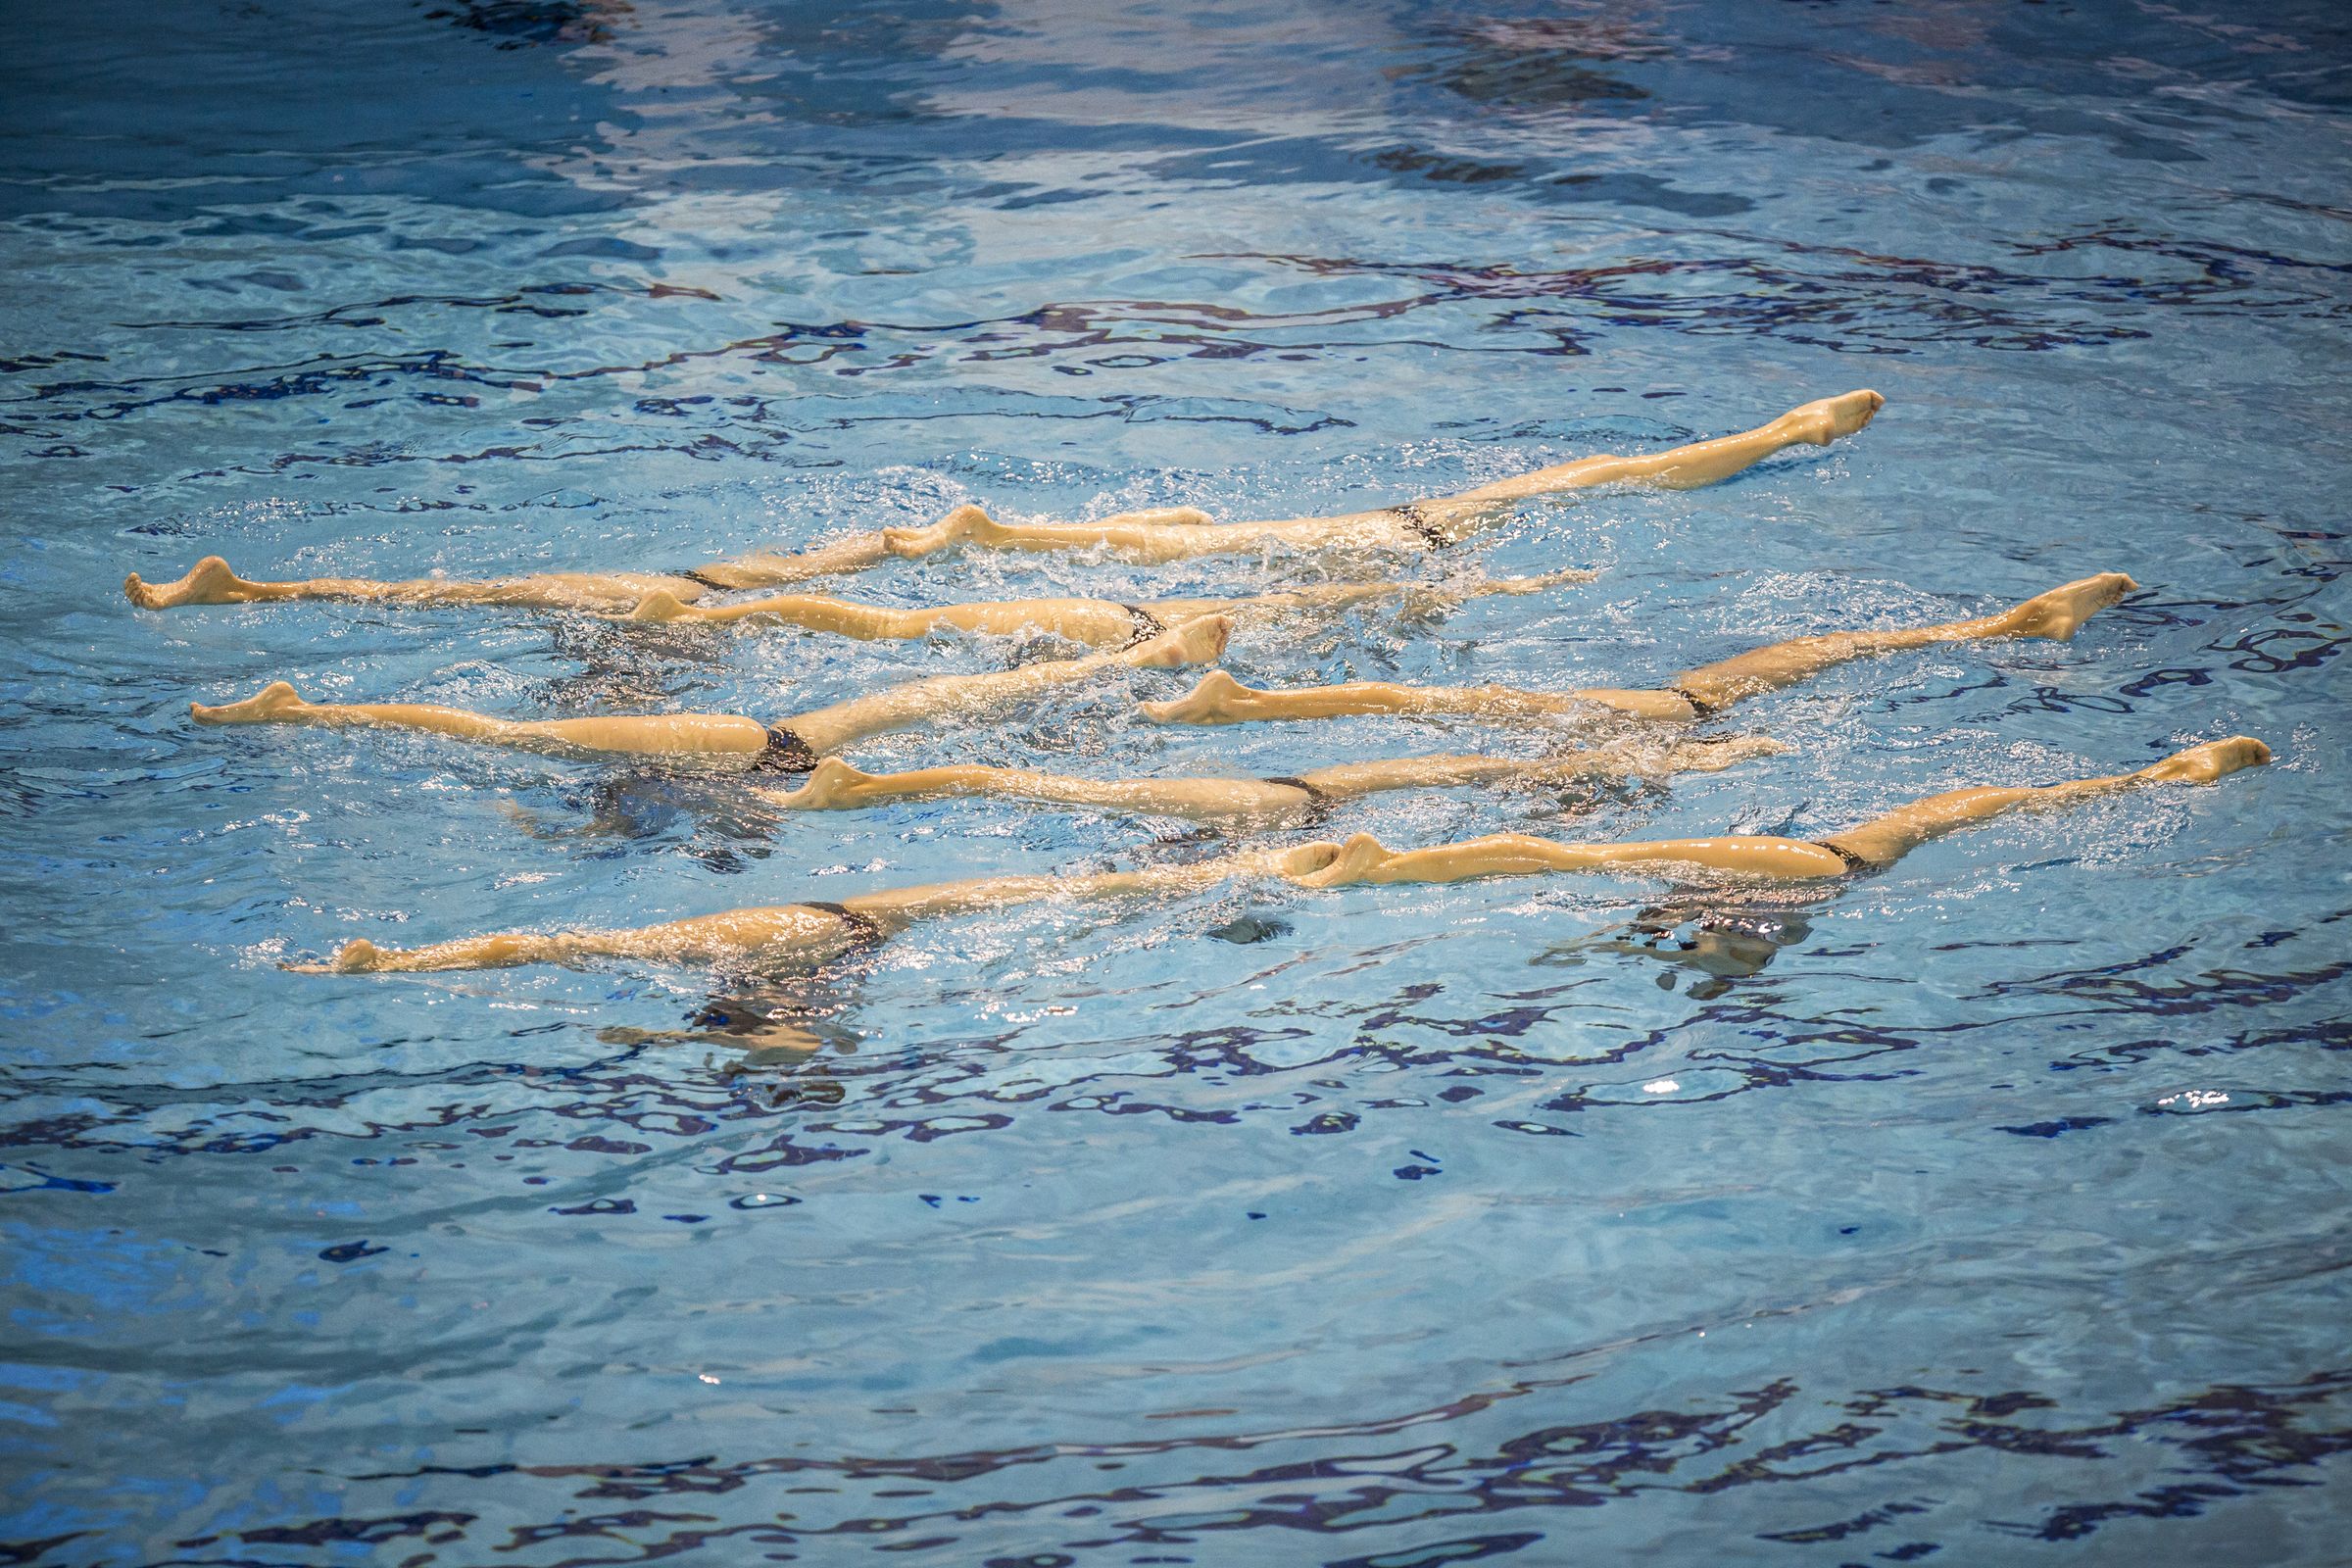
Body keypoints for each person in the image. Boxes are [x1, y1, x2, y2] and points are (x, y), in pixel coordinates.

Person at [286, 736, 2268, 975]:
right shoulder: (1832, 853)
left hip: (1788, 841)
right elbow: (1493, 833)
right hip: (1786, 839)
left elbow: (1495, 835)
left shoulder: (1828, 855)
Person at [122, 390, 1883, 613]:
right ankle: (280, 609)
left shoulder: (1454, 518)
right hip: (1298, 571)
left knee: (770, 590)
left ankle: (287, 604)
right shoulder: (1462, 532)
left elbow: (1657, 460)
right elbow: (1657, 464)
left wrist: (1801, 432)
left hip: (1217, 558)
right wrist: (1797, 439)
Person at [182, 571, 2132, 771]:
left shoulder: (721, 733)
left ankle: (286, 667)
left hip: (794, 749)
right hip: (812, 750)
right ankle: (287, 667)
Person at [190, 613, 1233, 774]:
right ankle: (303, 710)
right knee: (518, 741)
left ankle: (307, 710)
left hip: (764, 744)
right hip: (761, 752)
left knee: (517, 738)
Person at [1139, 572, 2136, 729]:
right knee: (1816, 650)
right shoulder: (1667, 740)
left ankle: (2011, 626)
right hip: (1672, 720)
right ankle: (2011, 627)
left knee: (1443, 714)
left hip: (1655, 728)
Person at [757, 735, 1785, 827]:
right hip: (1269, 805)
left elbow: (1490, 767)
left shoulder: (1411, 782)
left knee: (1036, 789)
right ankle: (862, 791)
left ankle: (864, 791)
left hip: (1288, 796)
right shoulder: (1479, 792)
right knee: (1028, 788)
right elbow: (1501, 771)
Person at [611, 566, 1594, 646]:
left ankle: (723, 617)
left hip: (1117, 619)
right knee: (897, 631)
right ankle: (719, 617)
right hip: (1111, 627)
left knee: (897, 630)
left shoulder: (1286, 616)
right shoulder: (1296, 626)